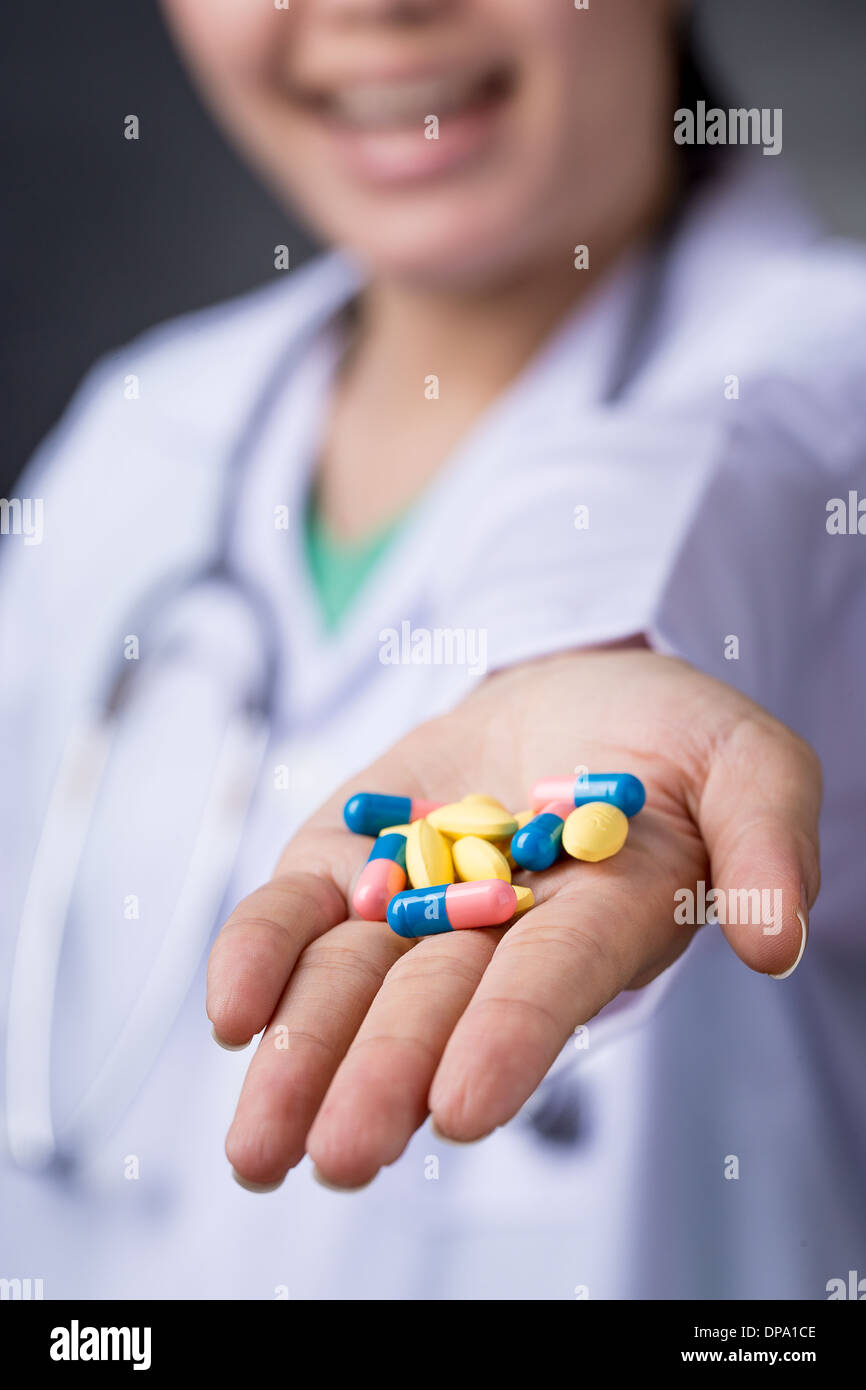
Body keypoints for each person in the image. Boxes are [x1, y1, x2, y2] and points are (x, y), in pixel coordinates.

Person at [1, 0, 864, 1300]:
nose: (370, 6)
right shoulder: (137, 434)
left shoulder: (817, 387)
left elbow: (754, 445)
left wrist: (602, 624)